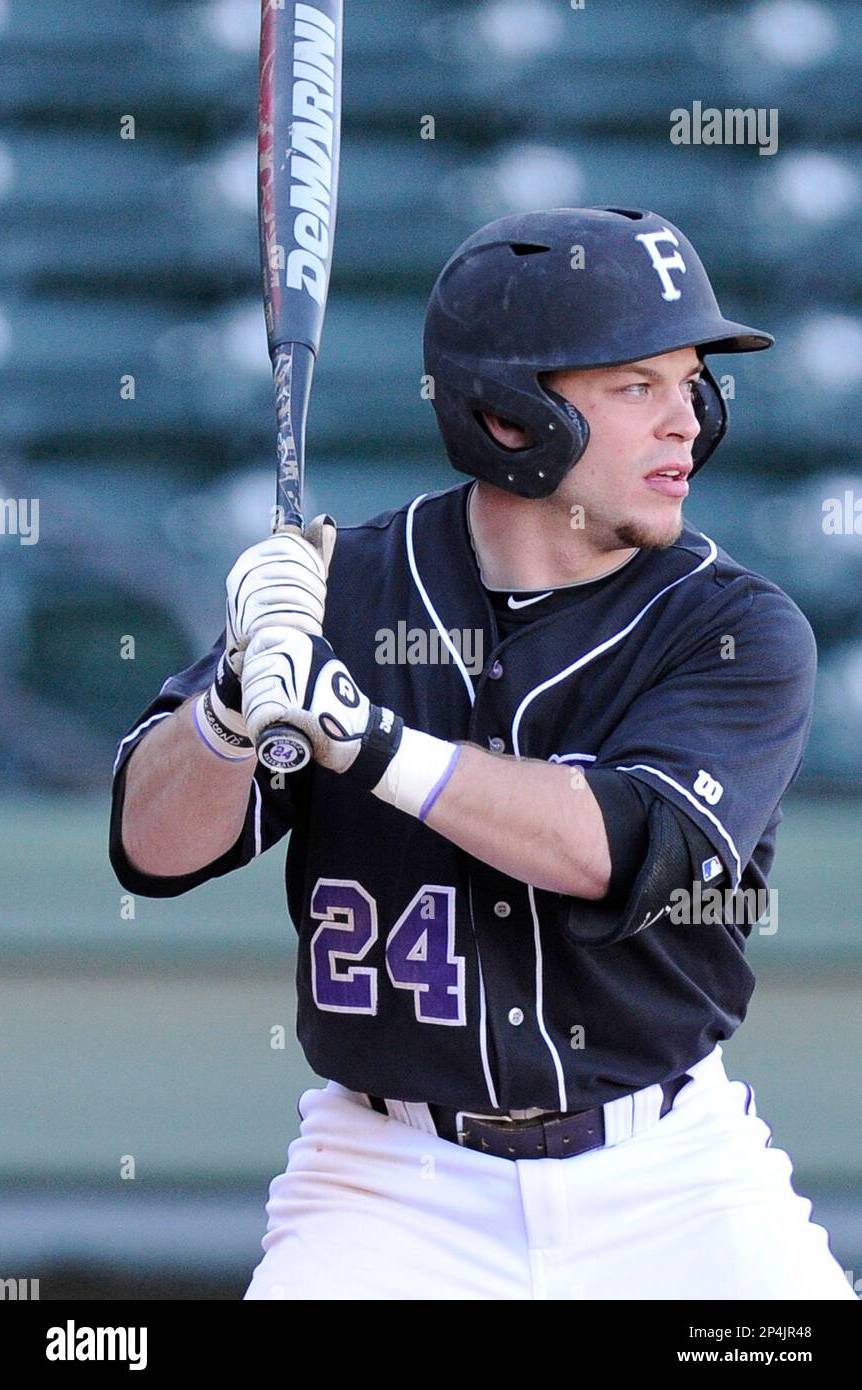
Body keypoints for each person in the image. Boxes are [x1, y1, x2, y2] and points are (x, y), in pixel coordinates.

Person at [110, 207, 855, 1300]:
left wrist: (367, 744)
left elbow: (618, 846)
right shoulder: (342, 592)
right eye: (635, 386)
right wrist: (227, 710)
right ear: (510, 418)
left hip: (670, 1177)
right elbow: (149, 848)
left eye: (690, 382)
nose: (685, 424)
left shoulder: (734, 628)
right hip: (385, 1185)